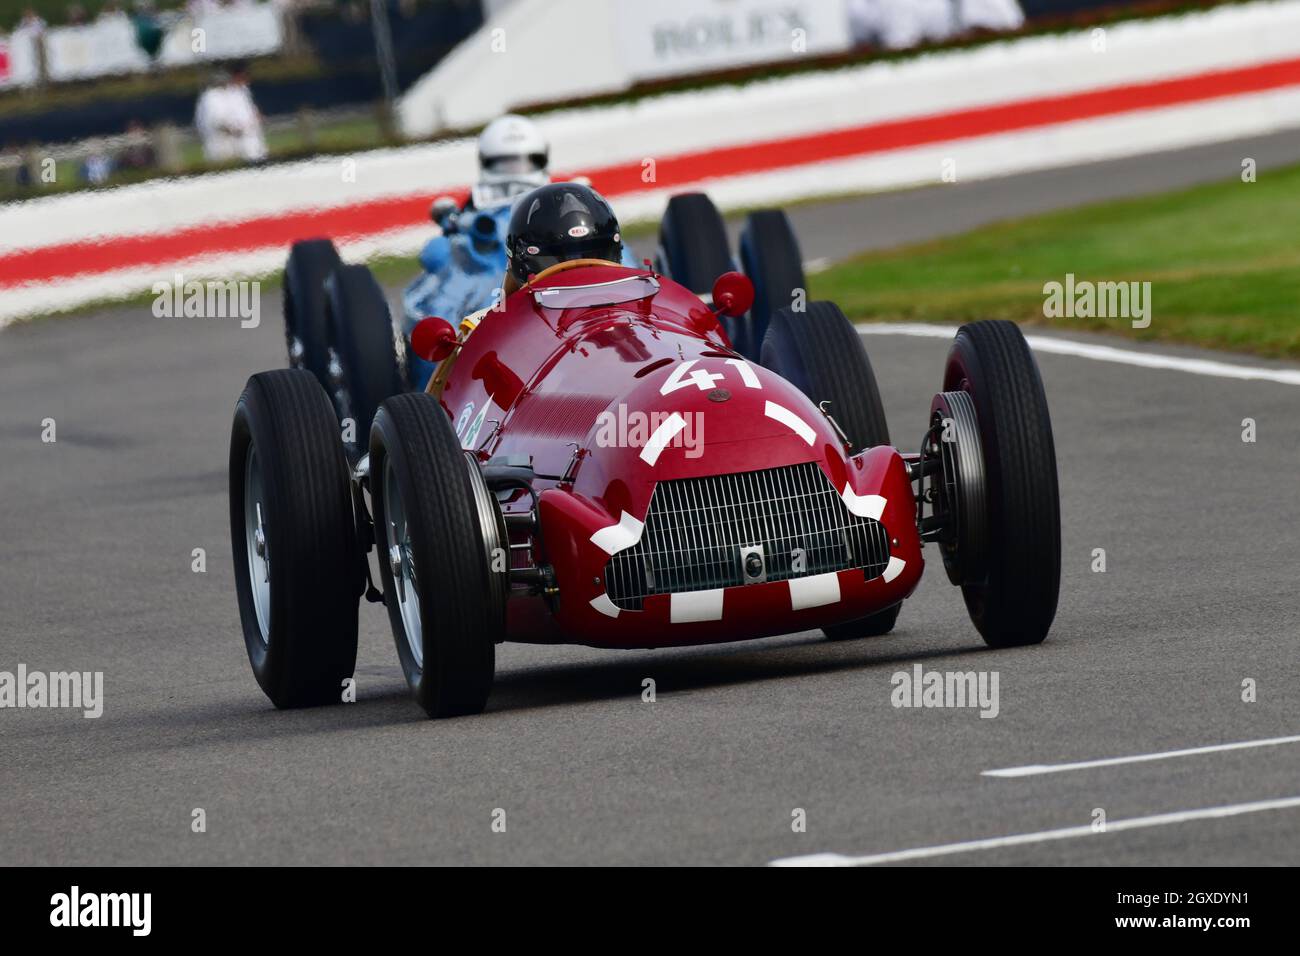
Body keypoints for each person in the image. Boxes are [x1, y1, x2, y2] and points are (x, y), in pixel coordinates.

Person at [194, 64, 268, 164]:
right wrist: (235, 129)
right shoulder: (211, 96)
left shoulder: (234, 92)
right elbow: (217, 120)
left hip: (241, 141)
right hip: (220, 144)